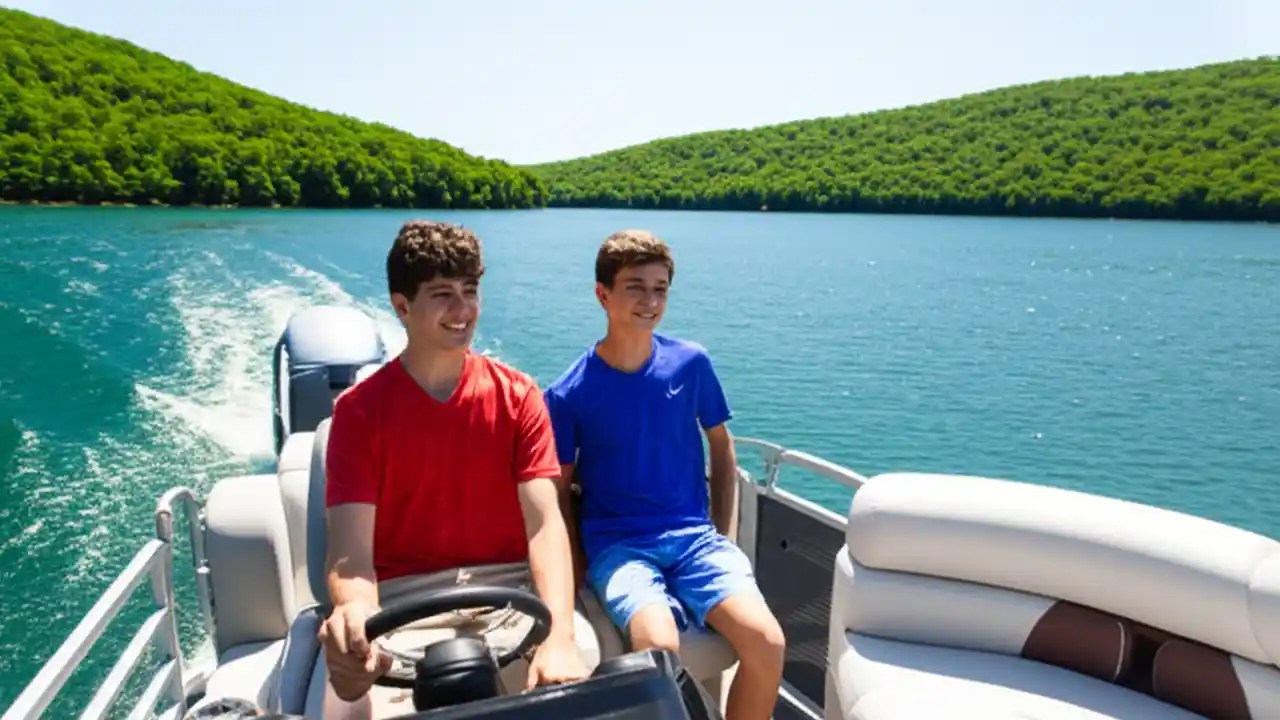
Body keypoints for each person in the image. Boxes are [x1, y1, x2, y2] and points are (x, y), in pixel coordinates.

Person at [319, 219, 591, 718]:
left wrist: (560, 634)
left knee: (584, 687)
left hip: (512, 596)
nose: (462, 310)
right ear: (402, 307)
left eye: (470, 291)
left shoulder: (518, 397)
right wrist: (356, 614)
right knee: (345, 705)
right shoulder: (359, 414)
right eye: (442, 294)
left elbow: (545, 526)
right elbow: (350, 557)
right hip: (404, 603)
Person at [544, 230, 785, 720]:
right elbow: (557, 492)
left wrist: (722, 534)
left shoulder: (691, 363)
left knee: (766, 641)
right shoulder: (569, 393)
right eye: (635, 286)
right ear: (602, 294)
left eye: (660, 288)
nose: (650, 301)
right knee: (658, 646)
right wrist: (576, 573)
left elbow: (721, 446)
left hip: (695, 540)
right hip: (620, 547)